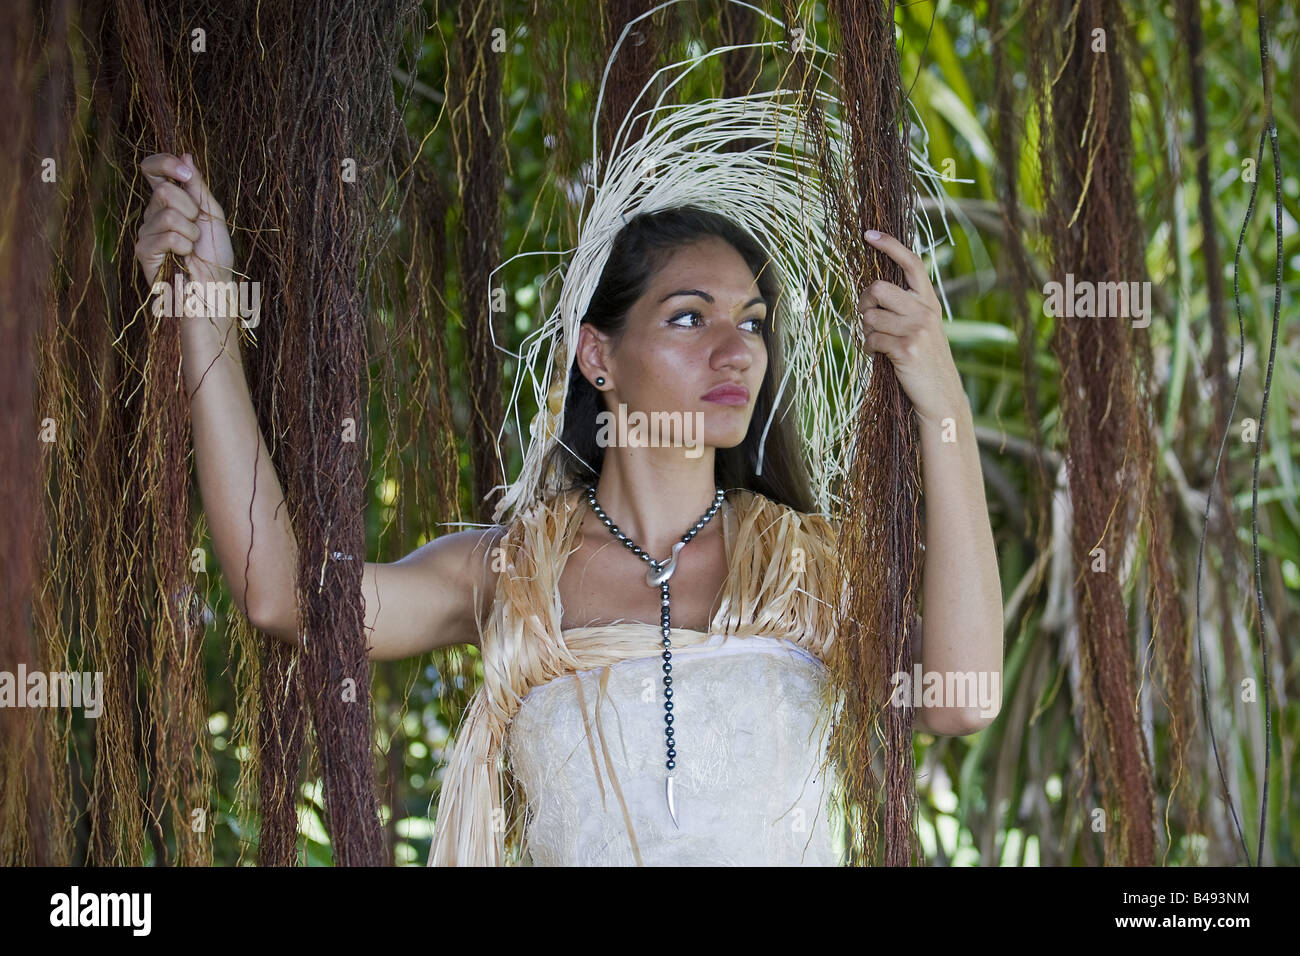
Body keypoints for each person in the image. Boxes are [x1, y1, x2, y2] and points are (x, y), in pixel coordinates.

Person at [130, 4, 1002, 867]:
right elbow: (282, 596)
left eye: (753, 321)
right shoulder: (510, 574)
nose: (737, 349)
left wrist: (941, 401)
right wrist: (203, 311)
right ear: (599, 356)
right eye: (690, 317)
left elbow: (963, 697)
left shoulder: (806, 573)